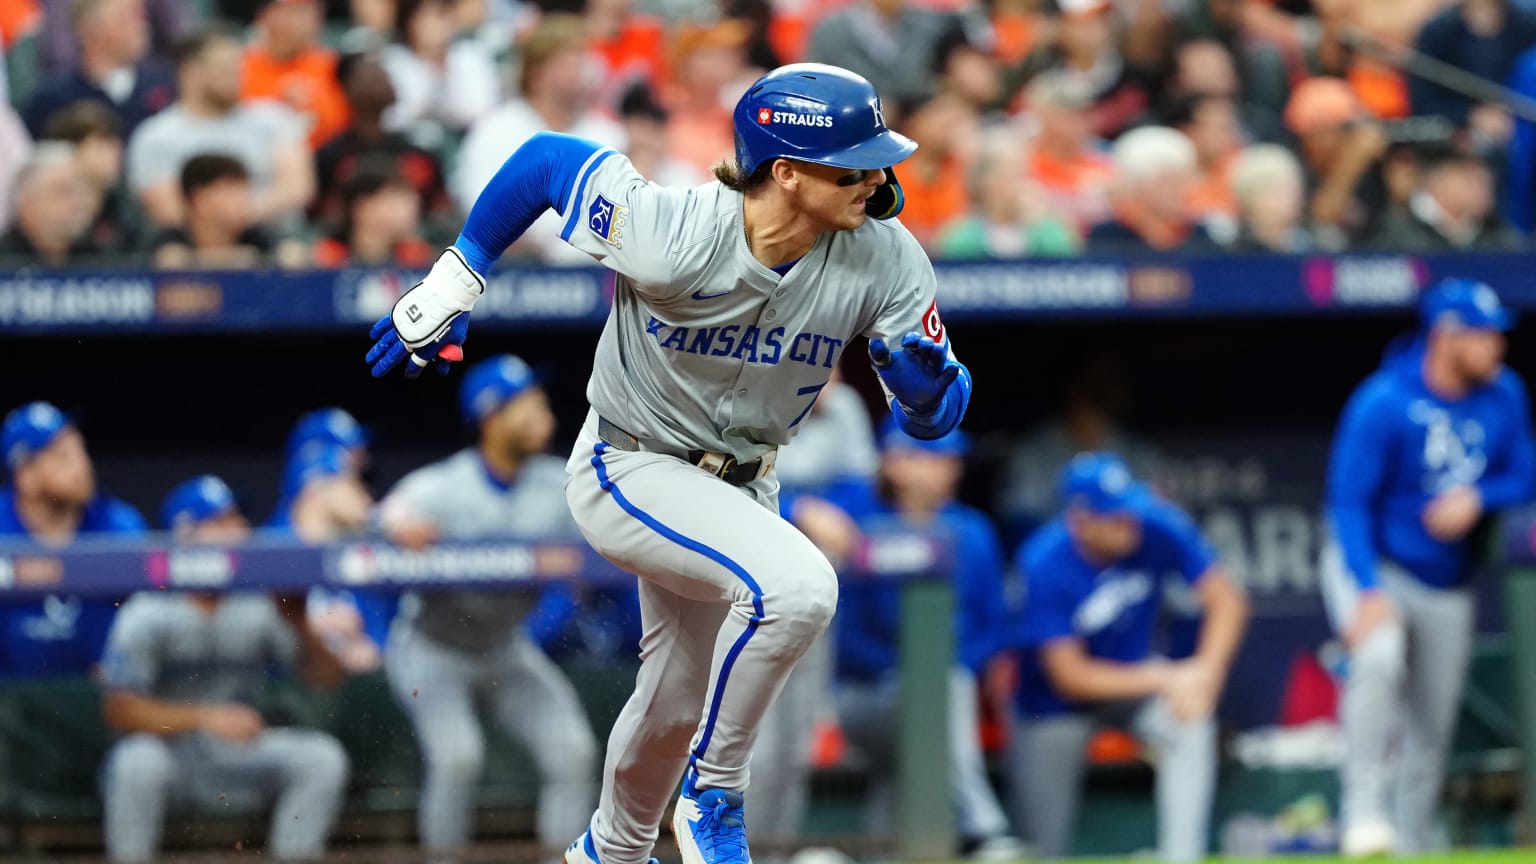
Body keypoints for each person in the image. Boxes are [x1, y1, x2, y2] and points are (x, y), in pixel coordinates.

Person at [365, 61, 972, 864]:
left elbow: (933, 419)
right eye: (853, 163)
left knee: (677, 701)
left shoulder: (886, 256)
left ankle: (606, 852)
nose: (877, 177)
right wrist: (457, 276)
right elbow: (548, 160)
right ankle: (713, 794)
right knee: (798, 588)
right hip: (632, 464)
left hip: (746, 485)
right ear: (785, 172)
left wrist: (930, 389)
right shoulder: (674, 229)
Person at [1322, 278, 1536, 857]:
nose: (1498, 347)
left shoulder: (1504, 394)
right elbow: (1346, 504)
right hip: (1377, 561)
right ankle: (1361, 813)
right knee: (1378, 655)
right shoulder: (1383, 400)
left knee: (1432, 725)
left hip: (1447, 577)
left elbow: (1527, 471)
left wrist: (1479, 496)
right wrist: (1366, 590)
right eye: (1484, 336)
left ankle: (1413, 841)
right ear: (1447, 336)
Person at [376, 354, 599, 858]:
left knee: (572, 751)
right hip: (432, 648)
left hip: (504, 647)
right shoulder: (444, 486)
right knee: (458, 758)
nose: (544, 414)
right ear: (492, 417)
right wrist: (395, 527)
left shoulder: (557, 485)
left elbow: (598, 549)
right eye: (529, 404)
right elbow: (384, 518)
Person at [1010, 452, 1249, 863]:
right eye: (1114, 516)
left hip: (1132, 685)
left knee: (1189, 721)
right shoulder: (1043, 561)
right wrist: (1169, 677)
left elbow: (1228, 601)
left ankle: (1182, 856)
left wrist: (1205, 673)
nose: (1129, 523)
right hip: (1052, 707)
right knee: (1041, 846)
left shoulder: (1156, 527)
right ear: (1081, 519)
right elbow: (1070, 676)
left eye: (1129, 510)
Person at [99, 474, 350, 864]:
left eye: (238, 520)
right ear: (186, 536)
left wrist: (300, 622)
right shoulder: (148, 610)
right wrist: (203, 718)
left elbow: (326, 679)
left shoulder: (258, 602)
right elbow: (119, 709)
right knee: (136, 762)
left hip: (239, 755)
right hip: (173, 757)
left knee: (321, 758)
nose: (240, 530)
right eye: (223, 521)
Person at [830, 419, 1023, 859]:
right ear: (895, 463)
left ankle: (884, 852)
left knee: (938, 695)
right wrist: (919, 671)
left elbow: (992, 626)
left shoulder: (974, 530)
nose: (946, 469)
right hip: (868, 698)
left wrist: (944, 668)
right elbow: (849, 641)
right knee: (936, 689)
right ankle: (984, 826)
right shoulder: (861, 527)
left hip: (944, 694)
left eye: (950, 459)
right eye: (932, 458)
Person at [0, 401, 146, 678]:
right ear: (26, 477)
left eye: (80, 449)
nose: (82, 466)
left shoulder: (118, 525)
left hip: (99, 695)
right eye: (63, 456)